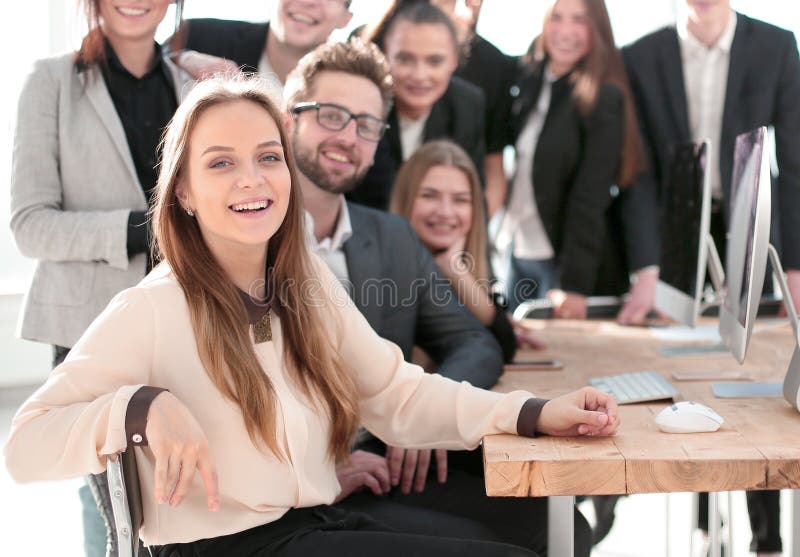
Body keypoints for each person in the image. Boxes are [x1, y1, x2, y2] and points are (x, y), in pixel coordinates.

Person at [4, 72, 620, 557]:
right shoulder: (152, 307)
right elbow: (23, 448)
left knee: (537, 524)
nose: (252, 179)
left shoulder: (305, 285)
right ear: (184, 192)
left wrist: (535, 413)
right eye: (221, 162)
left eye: (269, 157)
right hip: (224, 551)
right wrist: (136, 409)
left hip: (312, 525)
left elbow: (396, 394)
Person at [283, 39, 589, 556]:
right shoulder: (253, 236)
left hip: (383, 460)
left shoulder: (393, 238)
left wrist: (414, 421)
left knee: (561, 527)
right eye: (331, 116)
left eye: (365, 124)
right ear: (290, 120)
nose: (348, 137)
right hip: (299, 488)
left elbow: (476, 342)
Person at [617, 1, 800, 553]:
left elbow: (793, 163)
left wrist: (792, 263)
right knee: (688, 366)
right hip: (678, 217)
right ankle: (702, 517)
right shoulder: (641, 55)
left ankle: (765, 532)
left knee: (750, 364)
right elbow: (638, 171)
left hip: (751, 215)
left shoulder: (776, 45)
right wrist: (647, 266)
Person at [8, 1, 191, 554]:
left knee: (179, 483)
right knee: (109, 496)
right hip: (90, 325)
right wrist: (146, 229)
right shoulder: (51, 82)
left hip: (186, 317)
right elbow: (29, 225)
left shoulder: (194, 83)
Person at [495, 0, 646, 318]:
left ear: (598, 30)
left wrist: (573, 284)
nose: (565, 31)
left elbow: (589, 198)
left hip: (561, 264)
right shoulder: (528, 80)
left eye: (579, 20)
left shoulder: (603, 98)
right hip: (516, 249)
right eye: (557, 18)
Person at [390, 140, 543, 362]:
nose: (445, 211)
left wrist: (455, 270)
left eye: (460, 200)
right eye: (429, 196)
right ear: (406, 199)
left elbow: (502, 347)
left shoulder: (468, 268)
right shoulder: (381, 272)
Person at [347, 2, 486, 211]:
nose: (420, 75)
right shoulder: (359, 104)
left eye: (435, 61)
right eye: (405, 59)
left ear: (454, 61)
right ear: (385, 55)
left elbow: (472, 200)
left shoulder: (467, 105)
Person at [172, 0, 352, 87]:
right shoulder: (198, 36)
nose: (308, 2)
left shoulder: (348, 88)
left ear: (346, 19)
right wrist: (181, 58)